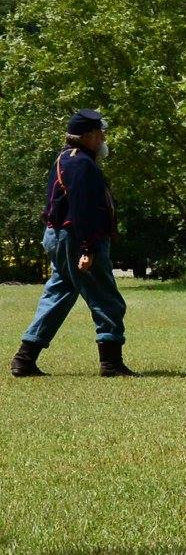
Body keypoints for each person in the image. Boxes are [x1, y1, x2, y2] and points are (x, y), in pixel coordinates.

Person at [11, 109, 135, 378]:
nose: (104, 137)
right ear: (89, 136)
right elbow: (83, 210)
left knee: (58, 296)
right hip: (76, 238)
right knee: (106, 299)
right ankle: (111, 364)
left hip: (60, 237)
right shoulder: (81, 165)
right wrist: (88, 248)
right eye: (101, 132)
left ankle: (24, 359)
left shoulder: (66, 159)